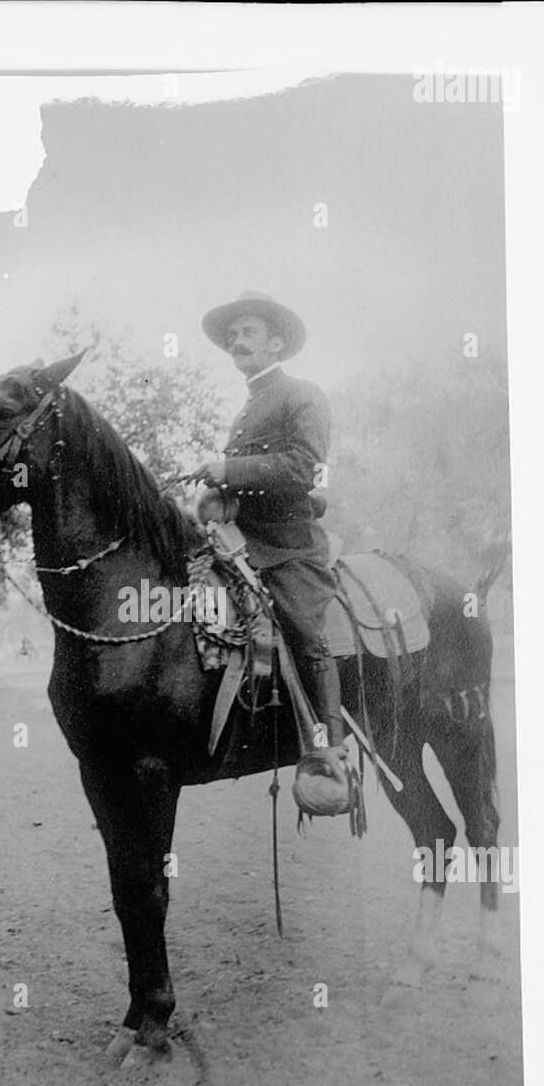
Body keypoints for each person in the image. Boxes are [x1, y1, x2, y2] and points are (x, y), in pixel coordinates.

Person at [192, 290, 349, 813]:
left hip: (288, 546)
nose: (237, 342)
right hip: (242, 544)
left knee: (305, 630)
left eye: (249, 333)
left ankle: (328, 754)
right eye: (233, 335)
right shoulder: (248, 407)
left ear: (276, 342)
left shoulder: (303, 395)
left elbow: (303, 468)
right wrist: (221, 499)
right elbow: (250, 486)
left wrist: (229, 472)